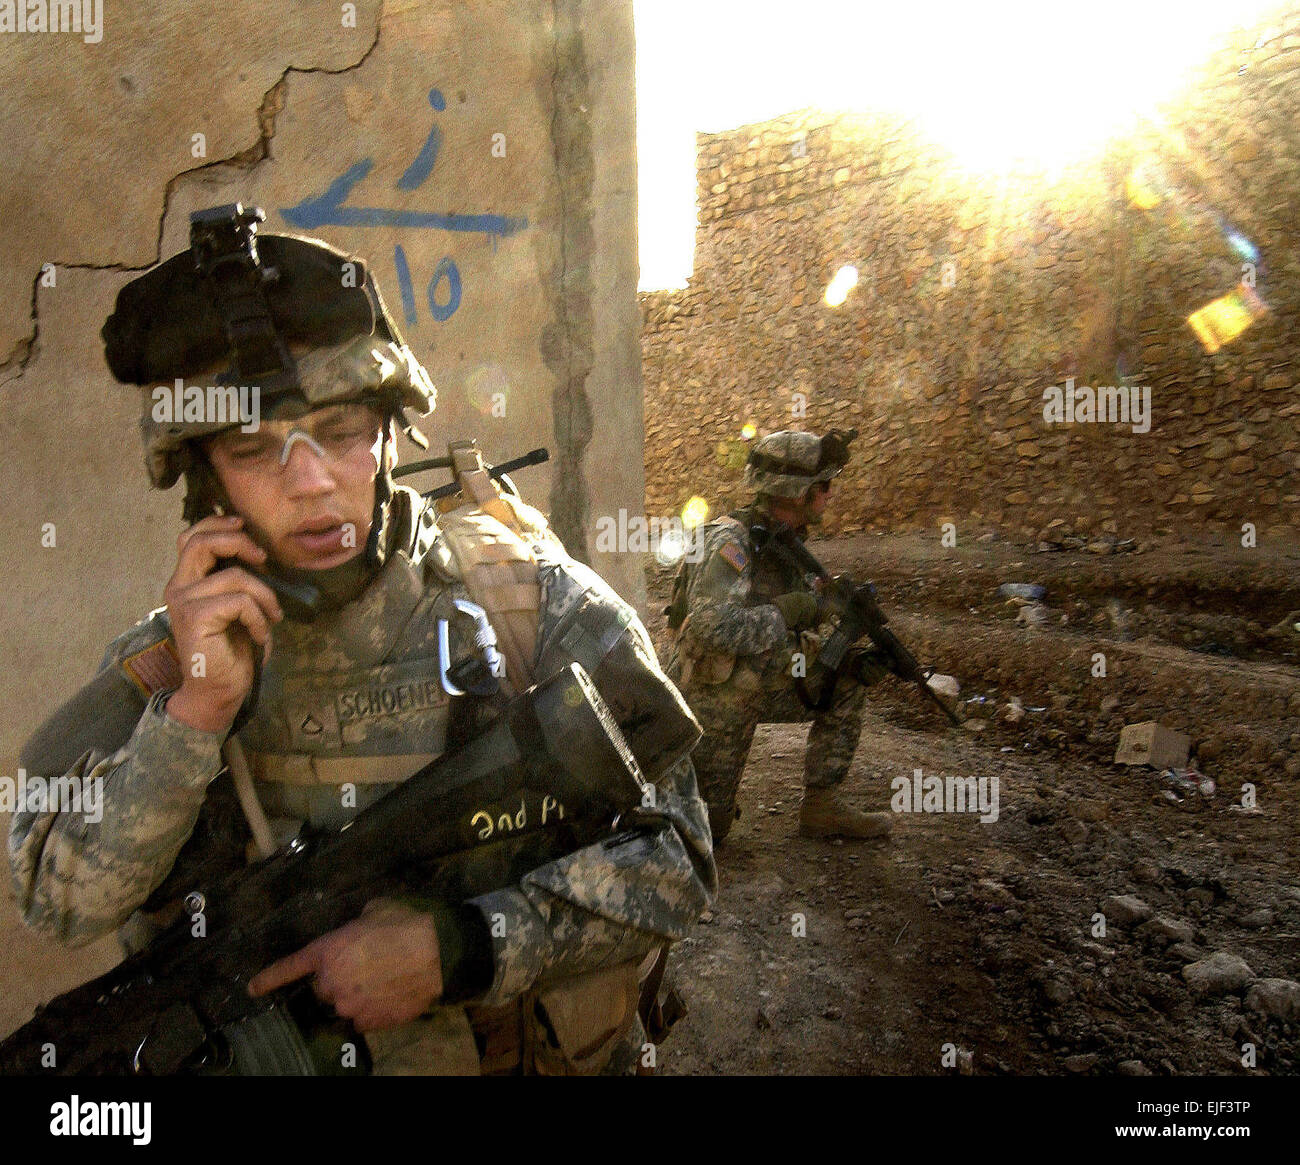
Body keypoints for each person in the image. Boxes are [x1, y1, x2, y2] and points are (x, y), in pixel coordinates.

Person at [7, 205, 715, 1075]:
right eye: (253, 448)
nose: (311, 482)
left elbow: (680, 857)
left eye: (341, 433)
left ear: (387, 433)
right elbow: (59, 904)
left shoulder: (525, 600)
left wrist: (462, 947)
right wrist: (193, 717)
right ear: (204, 482)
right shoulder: (172, 666)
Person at [665, 429, 894, 845]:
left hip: (754, 679)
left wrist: (842, 647)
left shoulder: (786, 544)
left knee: (846, 679)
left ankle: (821, 808)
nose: (829, 494)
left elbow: (801, 629)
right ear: (796, 490)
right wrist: (789, 610)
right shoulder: (730, 541)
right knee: (704, 838)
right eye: (823, 485)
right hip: (712, 692)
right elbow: (711, 627)